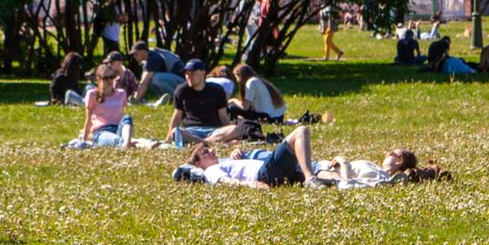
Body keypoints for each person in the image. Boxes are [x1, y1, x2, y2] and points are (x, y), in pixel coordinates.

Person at [177, 124, 319, 189]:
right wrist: (251, 184)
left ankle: (336, 181)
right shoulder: (210, 171)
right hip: (265, 173)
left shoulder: (222, 163)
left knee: (321, 171)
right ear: (199, 164)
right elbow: (226, 181)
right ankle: (309, 179)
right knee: (301, 131)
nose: (211, 151)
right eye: (205, 153)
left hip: (271, 172)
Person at [166, 59, 247, 145]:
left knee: (236, 129)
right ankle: (211, 143)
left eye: (192, 73)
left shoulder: (216, 90)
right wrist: (168, 138)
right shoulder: (181, 90)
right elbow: (177, 115)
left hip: (213, 131)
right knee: (175, 132)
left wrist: (230, 130)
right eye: (186, 73)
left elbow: (223, 115)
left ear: (203, 73)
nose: (188, 76)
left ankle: (201, 143)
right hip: (191, 131)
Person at [311, 149, 450, 186]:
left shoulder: (378, 174)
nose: (386, 154)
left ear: (399, 161)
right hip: (317, 167)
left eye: (391, 153)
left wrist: (343, 161)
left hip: (315, 171)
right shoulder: (377, 171)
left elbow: (346, 182)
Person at [75, 64, 134, 149]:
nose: (110, 81)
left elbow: (121, 116)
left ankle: (127, 142)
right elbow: (88, 120)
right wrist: (84, 140)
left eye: (112, 77)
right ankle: (125, 144)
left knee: (127, 118)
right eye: (106, 78)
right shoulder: (92, 94)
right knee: (118, 141)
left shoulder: (121, 93)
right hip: (101, 131)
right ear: (98, 79)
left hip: (118, 128)